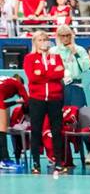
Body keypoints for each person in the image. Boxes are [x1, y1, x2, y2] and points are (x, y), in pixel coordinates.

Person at [22, 31, 68, 175]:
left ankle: (58, 163)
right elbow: (32, 77)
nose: (43, 42)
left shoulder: (56, 57)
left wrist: (42, 73)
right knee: (36, 131)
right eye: (40, 40)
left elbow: (60, 74)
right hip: (37, 99)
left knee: (56, 131)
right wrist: (50, 73)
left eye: (45, 39)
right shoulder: (29, 58)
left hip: (55, 99)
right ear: (35, 42)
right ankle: (36, 163)